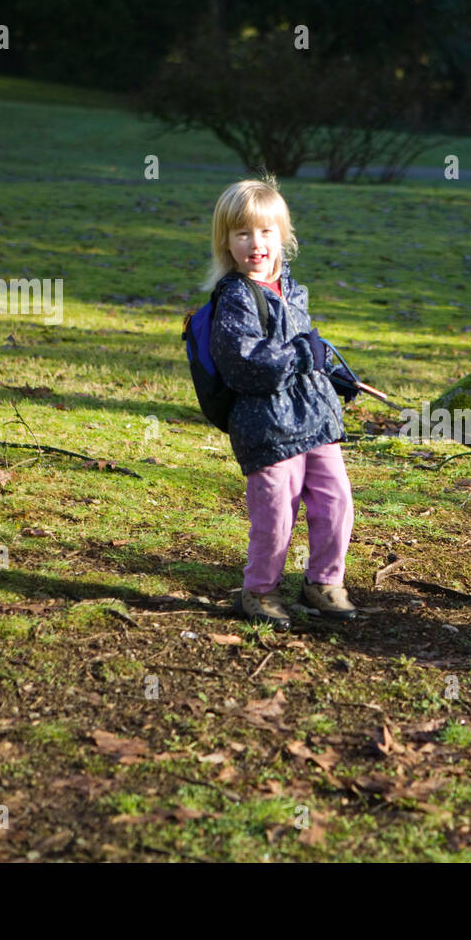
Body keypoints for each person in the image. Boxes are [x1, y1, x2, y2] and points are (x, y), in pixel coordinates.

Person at [204, 177, 356, 629]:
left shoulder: (293, 290)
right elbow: (247, 364)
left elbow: (307, 348)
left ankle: (324, 581)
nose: (256, 243)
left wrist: (332, 371)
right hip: (267, 426)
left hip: (314, 417)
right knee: (275, 510)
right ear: (227, 242)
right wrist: (306, 355)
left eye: (266, 232)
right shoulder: (234, 298)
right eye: (243, 233)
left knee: (336, 499)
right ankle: (259, 592)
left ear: (283, 237)